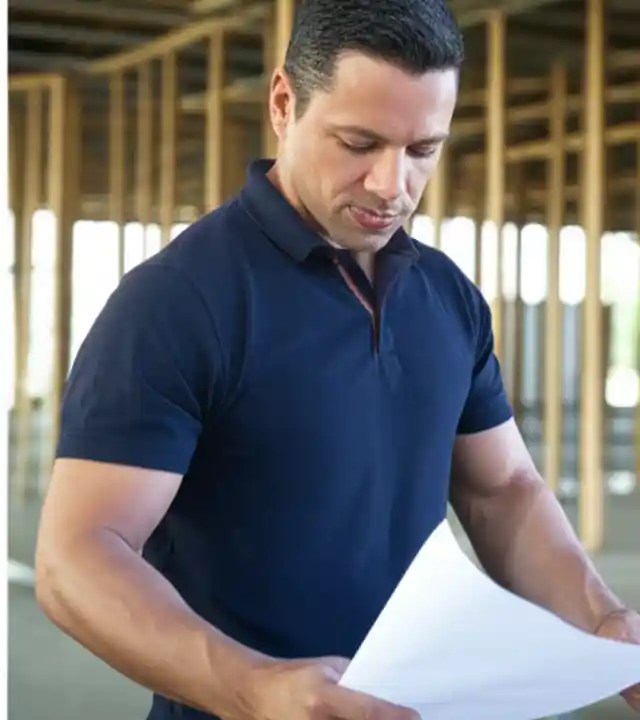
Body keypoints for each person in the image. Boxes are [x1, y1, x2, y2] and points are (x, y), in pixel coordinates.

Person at [33, 1, 640, 719]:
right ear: (284, 102)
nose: (392, 185)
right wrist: (254, 687)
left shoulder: (448, 299)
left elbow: (502, 488)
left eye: (423, 150)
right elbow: (76, 557)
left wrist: (603, 624)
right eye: (359, 142)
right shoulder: (176, 303)